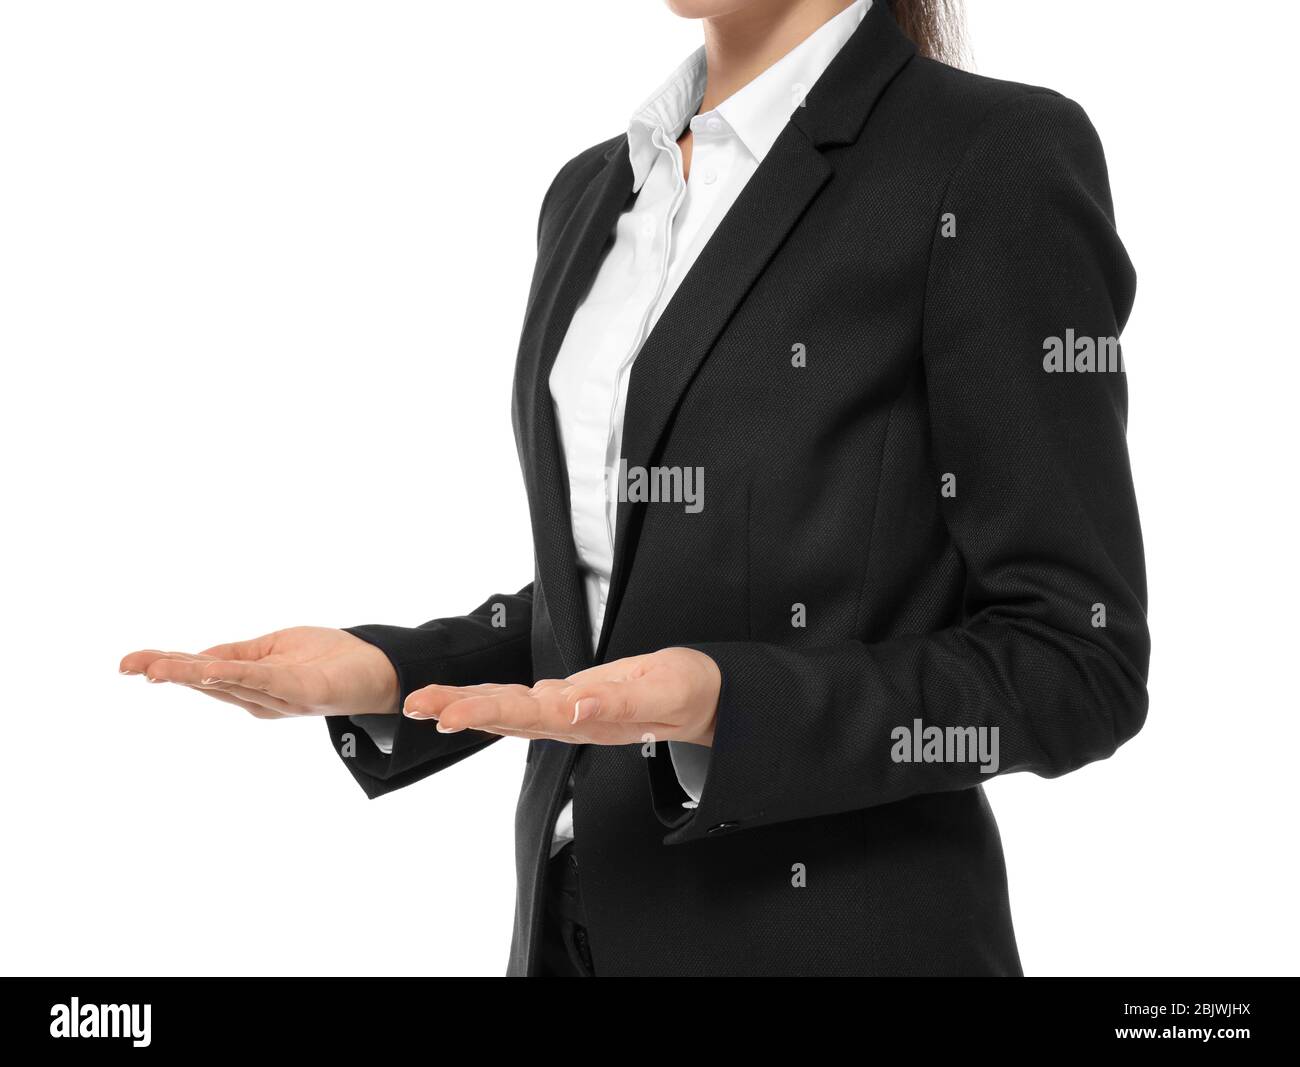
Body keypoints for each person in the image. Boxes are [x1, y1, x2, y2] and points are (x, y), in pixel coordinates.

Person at [121, 0, 1149, 976]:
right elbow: (622, 599)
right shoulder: (590, 192)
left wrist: (727, 704)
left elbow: (1074, 659)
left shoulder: (990, 158)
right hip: (569, 922)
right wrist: (397, 671)